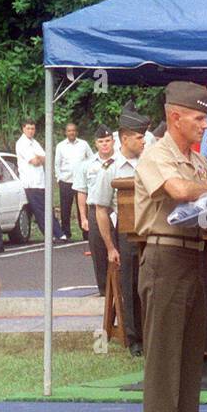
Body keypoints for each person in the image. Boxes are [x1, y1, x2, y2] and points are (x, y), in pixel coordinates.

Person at [134, 81, 207, 412]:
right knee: (163, 358)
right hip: (164, 257)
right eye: (199, 118)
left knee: (188, 359)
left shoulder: (197, 160)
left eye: (205, 117)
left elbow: (204, 197)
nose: (204, 125)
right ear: (175, 117)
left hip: (193, 256)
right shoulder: (157, 155)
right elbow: (179, 189)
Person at [96, 104, 149, 354]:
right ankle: (134, 339)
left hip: (151, 233)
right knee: (130, 287)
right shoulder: (111, 169)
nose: (143, 141)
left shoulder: (150, 162)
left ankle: (152, 335)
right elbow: (101, 209)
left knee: (150, 286)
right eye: (139, 137)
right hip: (127, 235)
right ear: (125, 138)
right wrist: (110, 247)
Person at [73, 126, 119, 296]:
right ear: (95, 144)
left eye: (107, 141)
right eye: (101, 142)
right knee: (99, 250)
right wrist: (83, 217)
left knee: (119, 248)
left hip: (115, 209)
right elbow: (81, 192)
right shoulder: (87, 165)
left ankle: (121, 287)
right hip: (95, 211)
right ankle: (104, 290)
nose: (105, 145)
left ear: (113, 141)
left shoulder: (120, 162)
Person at [15, 119, 64, 240]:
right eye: (28, 128)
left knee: (47, 208)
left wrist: (40, 158)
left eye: (32, 128)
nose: (31, 131)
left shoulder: (34, 142)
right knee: (40, 210)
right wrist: (39, 158)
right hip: (30, 183)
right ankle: (53, 234)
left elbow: (46, 158)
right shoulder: (21, 143)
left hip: (41, 182)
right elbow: (35, 161)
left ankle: (57, 233)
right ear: (23, 129)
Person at [54, 120, 92, 240]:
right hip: (66, 181)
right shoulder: (60, 146)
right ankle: (66, 233)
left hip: (81, 182)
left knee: (83, 208)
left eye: (73, 130)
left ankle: (86, 233)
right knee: (65, 209)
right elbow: (57, 164)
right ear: (66, 132)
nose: (71, 133)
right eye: (69, 131)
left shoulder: (84, 144)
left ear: (76, 132)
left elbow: (91, 158)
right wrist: (59, 178)